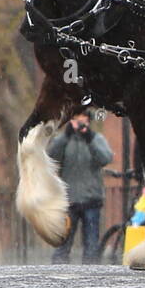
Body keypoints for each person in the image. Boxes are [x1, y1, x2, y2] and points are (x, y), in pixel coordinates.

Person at [47, 109, 114, 264]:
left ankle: (91, 273)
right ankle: (58, 271)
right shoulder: (63, 140)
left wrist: (89, 138)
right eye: (75, 117)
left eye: (82, 117)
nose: (79, 120)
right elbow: (51, 156)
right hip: (69, 201)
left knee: (91, 244)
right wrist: (65, 136)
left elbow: (105, 158)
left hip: (91, 200)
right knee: (62, 244)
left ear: (88, 119)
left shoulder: (97, 139)